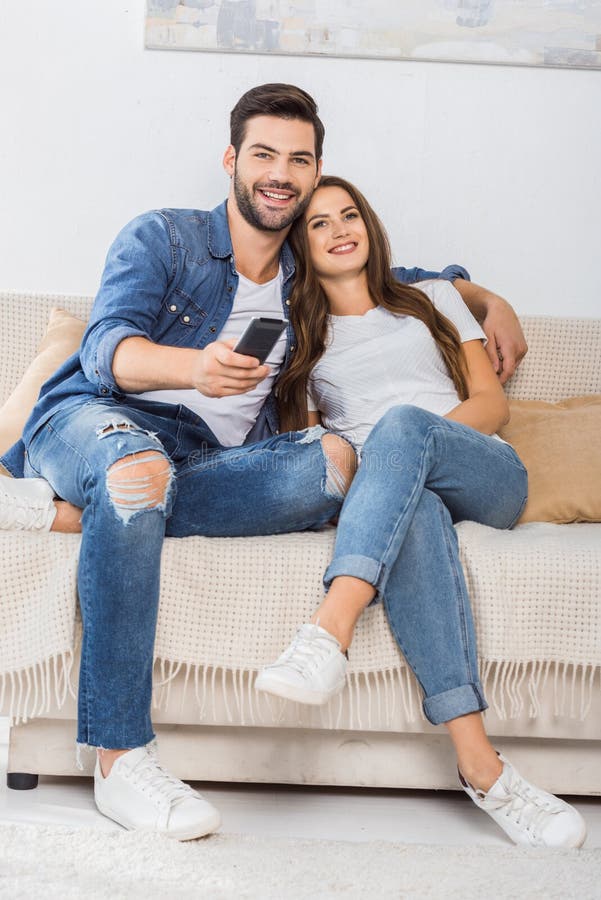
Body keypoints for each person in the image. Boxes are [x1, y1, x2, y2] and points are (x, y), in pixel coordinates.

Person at [0, 84, 527, 839]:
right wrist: (194, 369)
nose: (280, 173)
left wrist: (484, 298)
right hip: (100, 422)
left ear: (315, 173)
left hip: (211, 463)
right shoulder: (165, 237)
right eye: (264, 155)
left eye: (298, 160)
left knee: (342, 462)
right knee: (138, 472)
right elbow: (107, 349)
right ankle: (120, 757)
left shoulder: (307, 278)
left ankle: (58, 513)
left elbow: (394, 276)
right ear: (231, 160)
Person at [254, 175, 587, 849]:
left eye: (349, 215)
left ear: (369, 227)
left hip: (482, 470)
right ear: (300, 245)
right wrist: (381, 471)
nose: (340, 228)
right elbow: (321, 448)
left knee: (402, 428)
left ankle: (328, 630)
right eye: (318, 224)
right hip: (399, 494)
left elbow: (490, 405)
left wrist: (399, 448)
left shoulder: (430, 297)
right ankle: (483, 768)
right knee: (416, 515)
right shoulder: (303, 340)